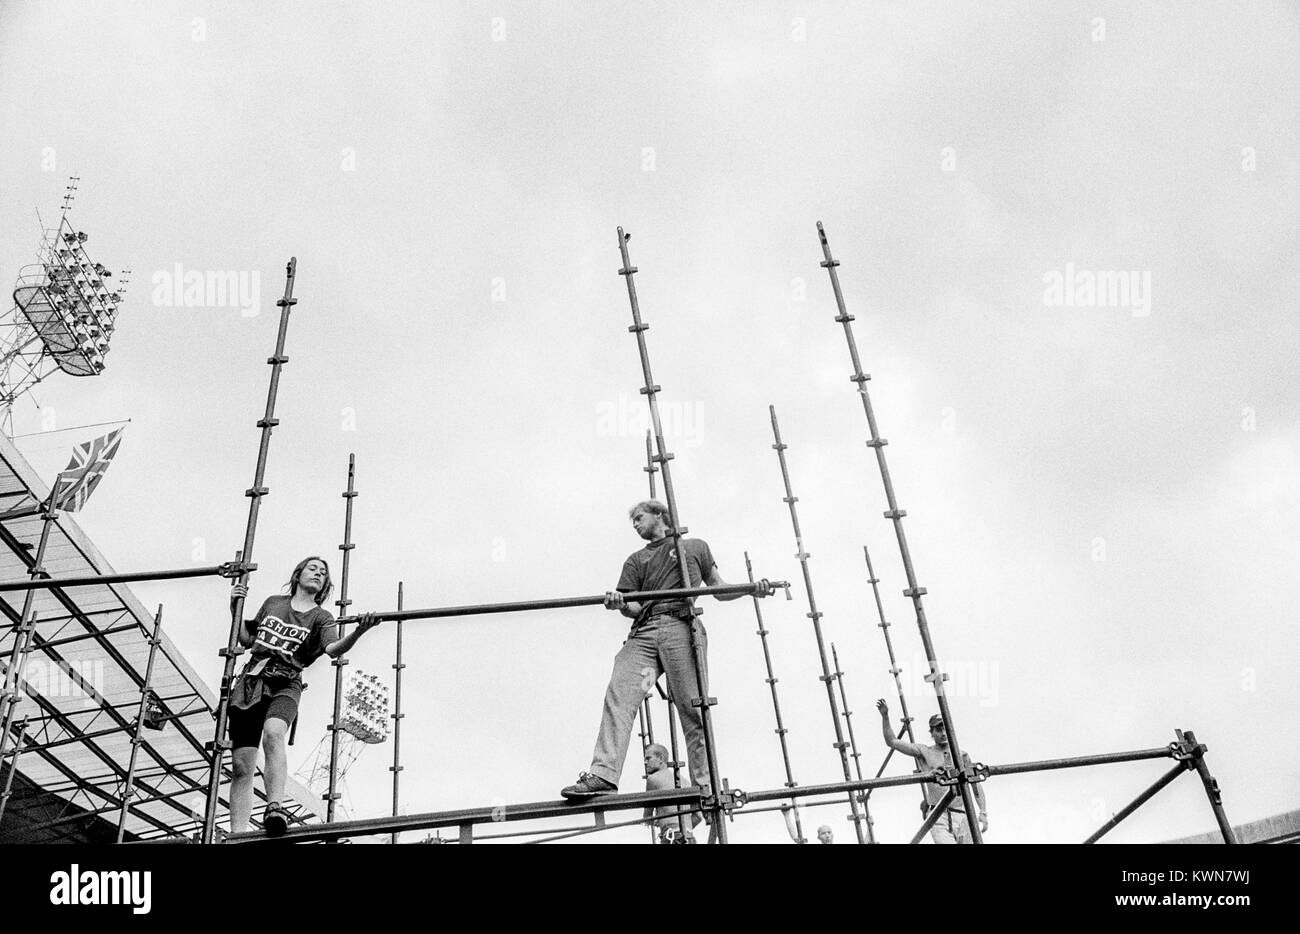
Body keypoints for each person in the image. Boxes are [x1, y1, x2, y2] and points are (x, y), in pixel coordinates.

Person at [561, 499, 775, 802]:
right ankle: (604, 774)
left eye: (639, 518)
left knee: (693, 707)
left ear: (659, 514)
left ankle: (705, 788)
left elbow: (717, 587)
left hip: (681, 625)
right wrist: (619, 603)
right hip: (645, 632)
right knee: (620, 695)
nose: (635, 525)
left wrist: (753, 588)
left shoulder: (696, 547)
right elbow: (633, 607)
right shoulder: (635, 560)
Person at [226, 556, 378, 836]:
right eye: (313, 568)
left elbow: (333, 649)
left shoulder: (322, 617)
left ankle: (274, 807)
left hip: (286, 682)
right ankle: (237, 833)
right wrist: (235, 605)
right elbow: (246, 640)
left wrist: (359, 630)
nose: (318, 574)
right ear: (298, 575)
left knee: (273, 732)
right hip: (251, 681)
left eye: (323, 573)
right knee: (241, 765)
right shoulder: (273, 603)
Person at [876, 699, 987, 844]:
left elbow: (975, 784)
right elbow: (892, 741)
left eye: (945, 729)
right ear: (932, 733)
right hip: (939, 815)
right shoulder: (925, 752)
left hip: (963, 814)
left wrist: (983, 812)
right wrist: (885, 717)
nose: (942, 733)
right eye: (938, 729)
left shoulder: (962, 755)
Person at [642, 743, 698, 843]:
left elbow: (647, 818)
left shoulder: (652, 779)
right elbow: (698, 816)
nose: (645, 762)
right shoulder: (686, 783)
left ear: (660, 758)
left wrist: (664, 823)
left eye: (648, 758)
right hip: (689, 838)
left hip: (671, 838)